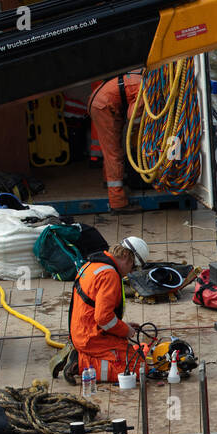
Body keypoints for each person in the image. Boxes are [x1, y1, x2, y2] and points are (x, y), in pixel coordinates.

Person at [69, 237, 150, 383]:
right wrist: (125, 331)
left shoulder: (92, 264)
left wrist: (123, 325)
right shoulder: (109, 275)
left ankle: (81, 355)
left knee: (131, 356)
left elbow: (95, 310)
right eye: (133, 267)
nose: (130, 273)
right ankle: (81, 364)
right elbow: (103, 318)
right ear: (126, 257)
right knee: (139, 368)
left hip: (82, 332)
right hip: (91, 338)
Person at [88, 70, 144, 211]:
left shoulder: (138, 78)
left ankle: (109, 181)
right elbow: (133, 118)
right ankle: (118, 203)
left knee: (112, 151)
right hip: (103, 107)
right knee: (113, 154)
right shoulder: (144, 87)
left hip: (105, 104)